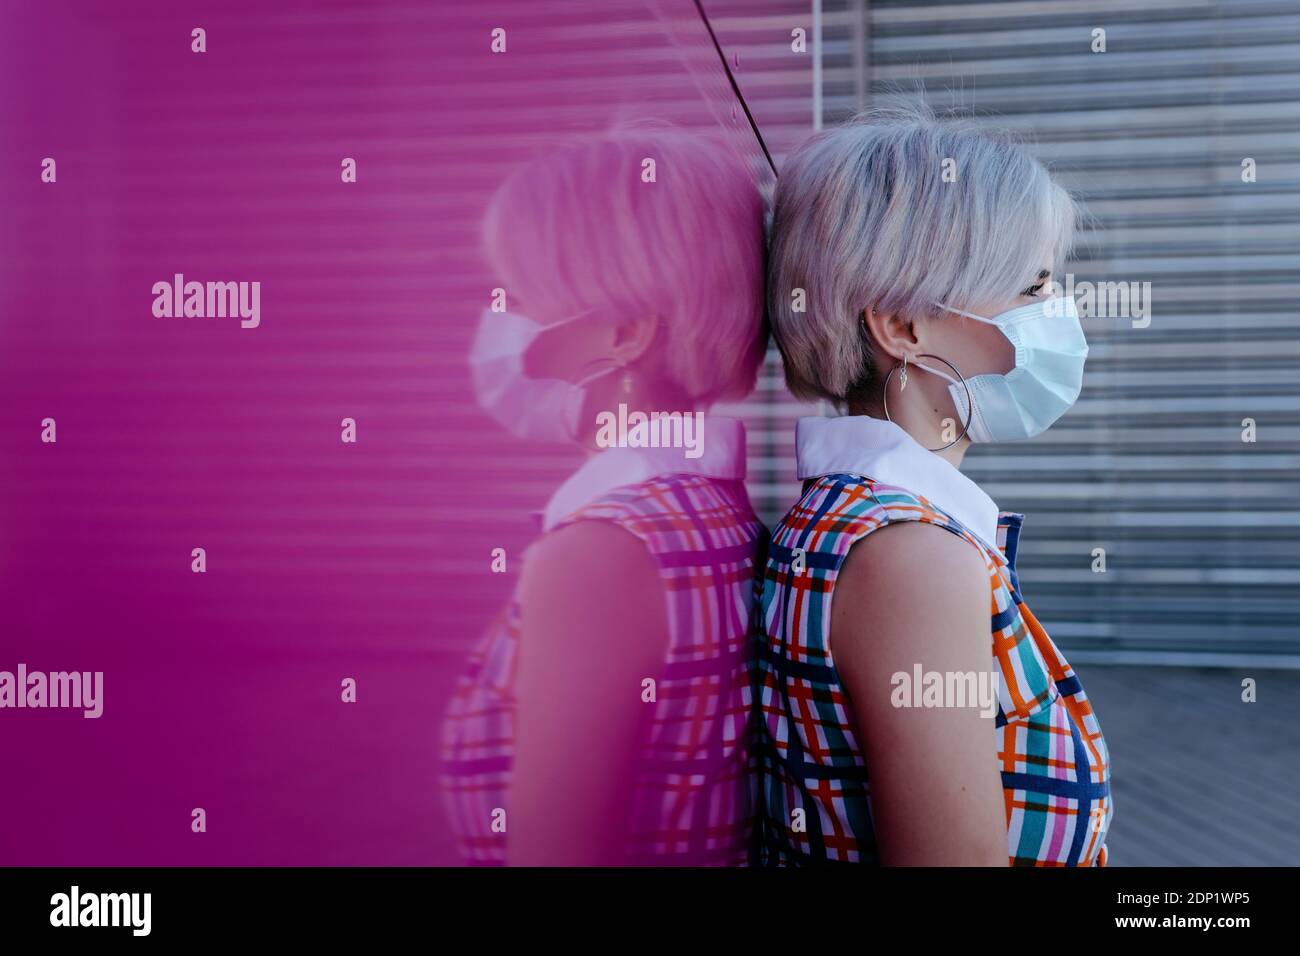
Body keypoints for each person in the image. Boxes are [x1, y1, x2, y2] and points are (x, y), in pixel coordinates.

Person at [752, 104, 1113, 866]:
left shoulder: (869, 522)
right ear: (903, 327)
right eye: (1032, 289)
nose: (1058, 316)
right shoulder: (910, 559)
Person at [440, 125, 769, 865]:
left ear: (623, 332)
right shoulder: (710, 503)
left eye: (515, 294)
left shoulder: (600, 554)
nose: (494, 319)